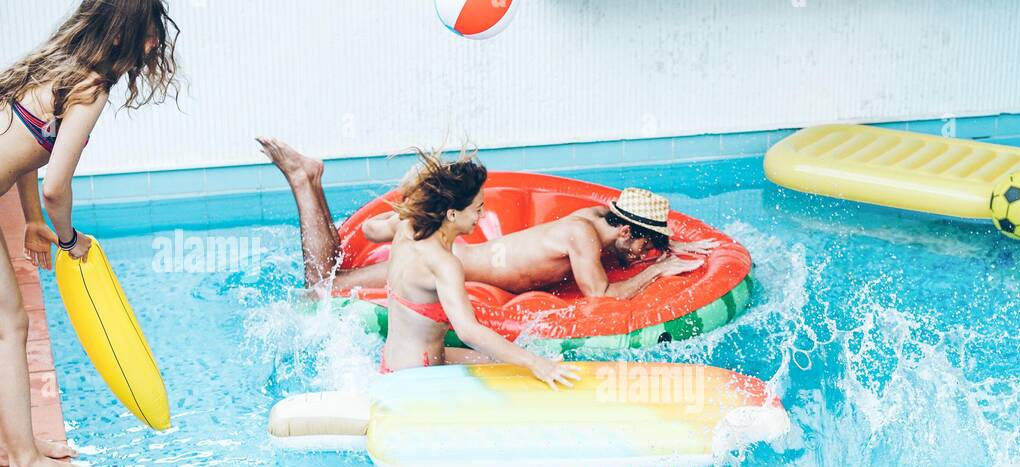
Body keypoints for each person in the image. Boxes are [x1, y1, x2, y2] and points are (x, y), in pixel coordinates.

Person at [0, 0, 179, 467]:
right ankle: (25, 465)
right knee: (8, 325)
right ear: (121, 34)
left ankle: (18, 446)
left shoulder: (56, 65)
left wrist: (33, 219)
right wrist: (68, 238)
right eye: (150, 30)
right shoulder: (90, 86)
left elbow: (24, 147)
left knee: (7, 324)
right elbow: (57, 182)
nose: (155, 42)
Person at [257, 138, 710, 301]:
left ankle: (385, 222)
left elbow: (632, 235)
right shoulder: (581, 234)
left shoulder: (598, 217)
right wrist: (658, 270)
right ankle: (307, 182)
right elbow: (603, 295)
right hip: (448, 261)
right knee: (323, 287)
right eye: (646, 246)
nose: (644, 256)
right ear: (626, 229)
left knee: (343, 270)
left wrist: (668, 246)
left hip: (460, 253)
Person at [356, 148, 580, 388]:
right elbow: (468, 331)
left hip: (397, 364)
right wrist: (537, 363)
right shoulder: (443, 264)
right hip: (415, 380)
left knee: (499, 364)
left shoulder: (406, 226)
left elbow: (369, 229)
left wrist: (413, 209)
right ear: (452, 214)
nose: (481, 215)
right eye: (477, 208)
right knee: (518, 375)